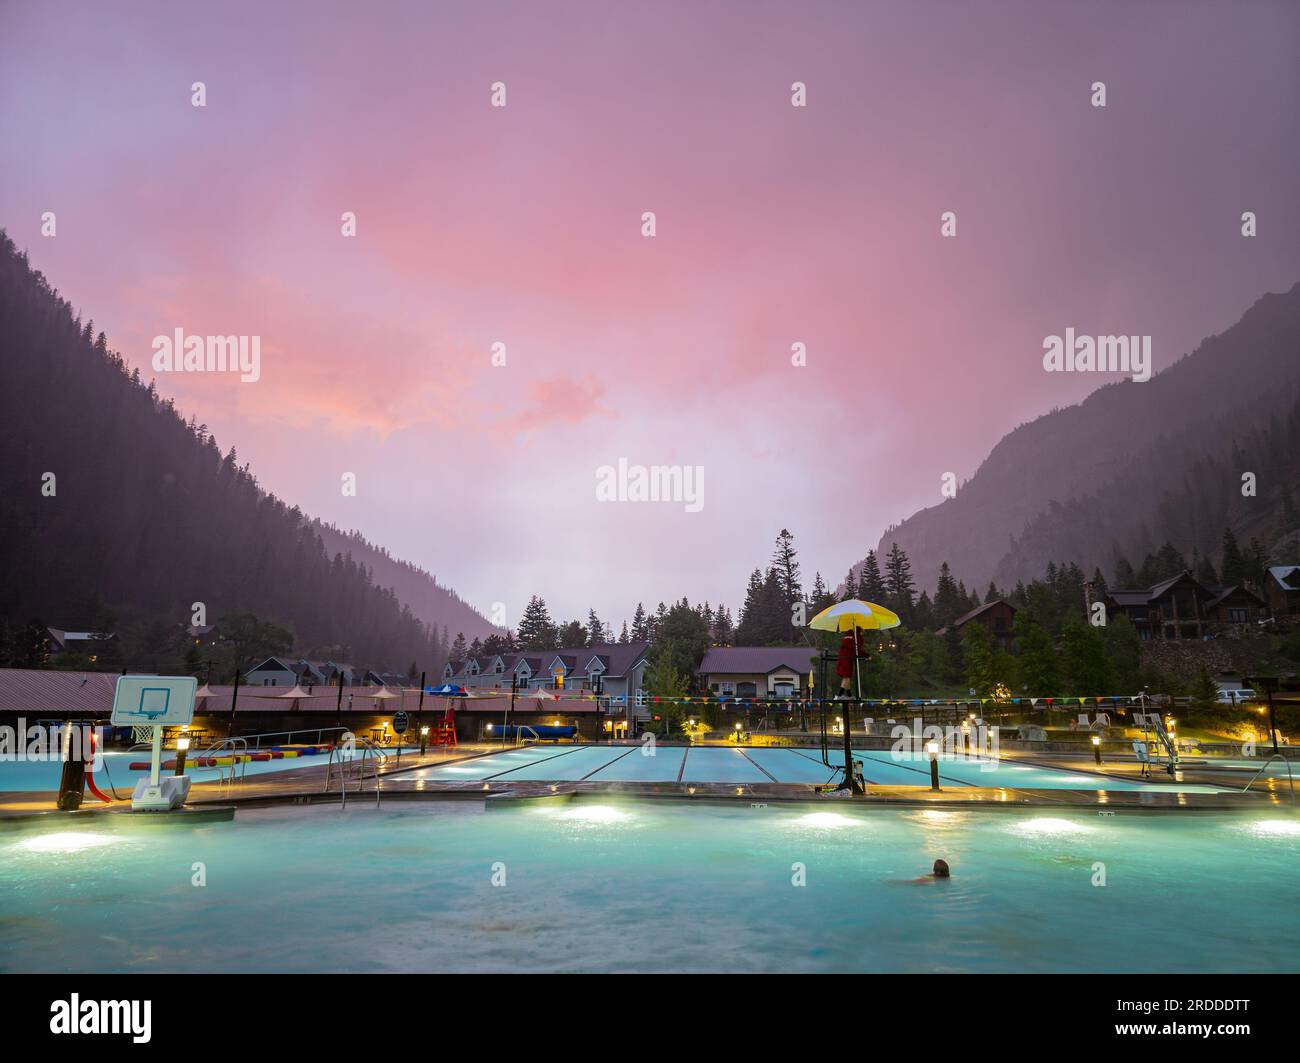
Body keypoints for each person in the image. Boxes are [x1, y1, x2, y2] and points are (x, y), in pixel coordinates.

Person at [836, 627, 865, 698]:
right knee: (847, 676)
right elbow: (857, 649)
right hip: (848, 657)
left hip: (842, 656)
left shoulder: (847, 637)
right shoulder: (856, 638)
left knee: (846, 676)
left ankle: (849, 694)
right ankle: (839, 694)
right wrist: (866, 655)